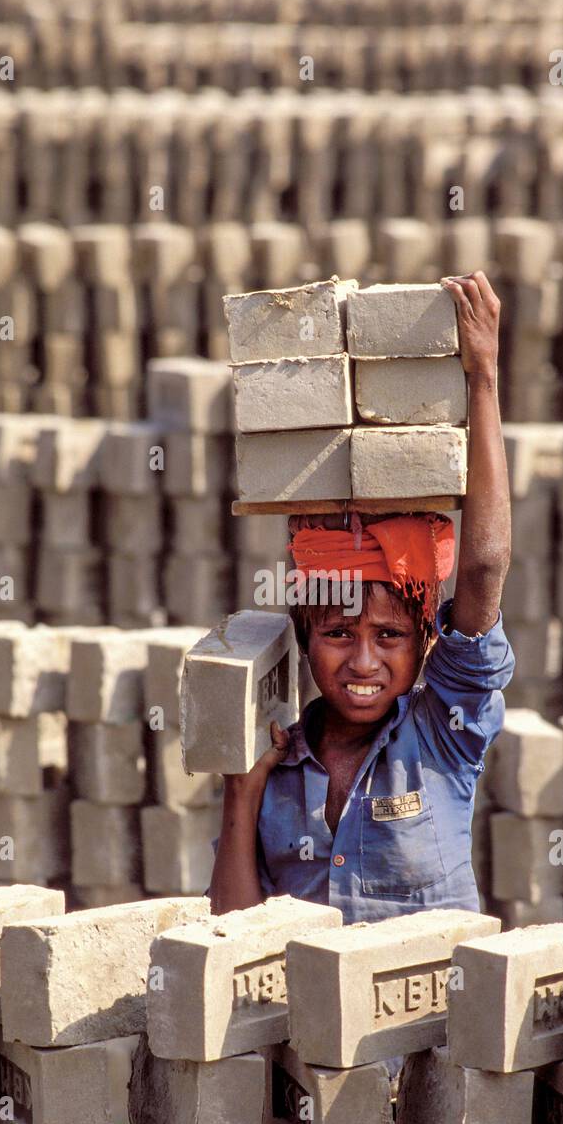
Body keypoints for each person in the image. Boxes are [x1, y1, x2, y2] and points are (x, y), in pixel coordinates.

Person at [209, 270, 513, 923]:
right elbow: (233, 934)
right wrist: (243, 790)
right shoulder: (276, 763)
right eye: (339, 634)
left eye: (390, 635)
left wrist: (482, 377)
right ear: (304, 637)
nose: (364, 662)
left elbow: (484, 569)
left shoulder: (443, 733)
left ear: (425, 640)